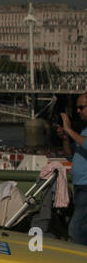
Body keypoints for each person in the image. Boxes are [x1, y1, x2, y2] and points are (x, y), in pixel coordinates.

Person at [57, 92, 87, 245]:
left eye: (82, 107)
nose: (78, 111)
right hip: (80, 187)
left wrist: (69, 129)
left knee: (76, 229)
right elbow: (70, 155)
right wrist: (66, 138)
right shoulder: (83, 131)